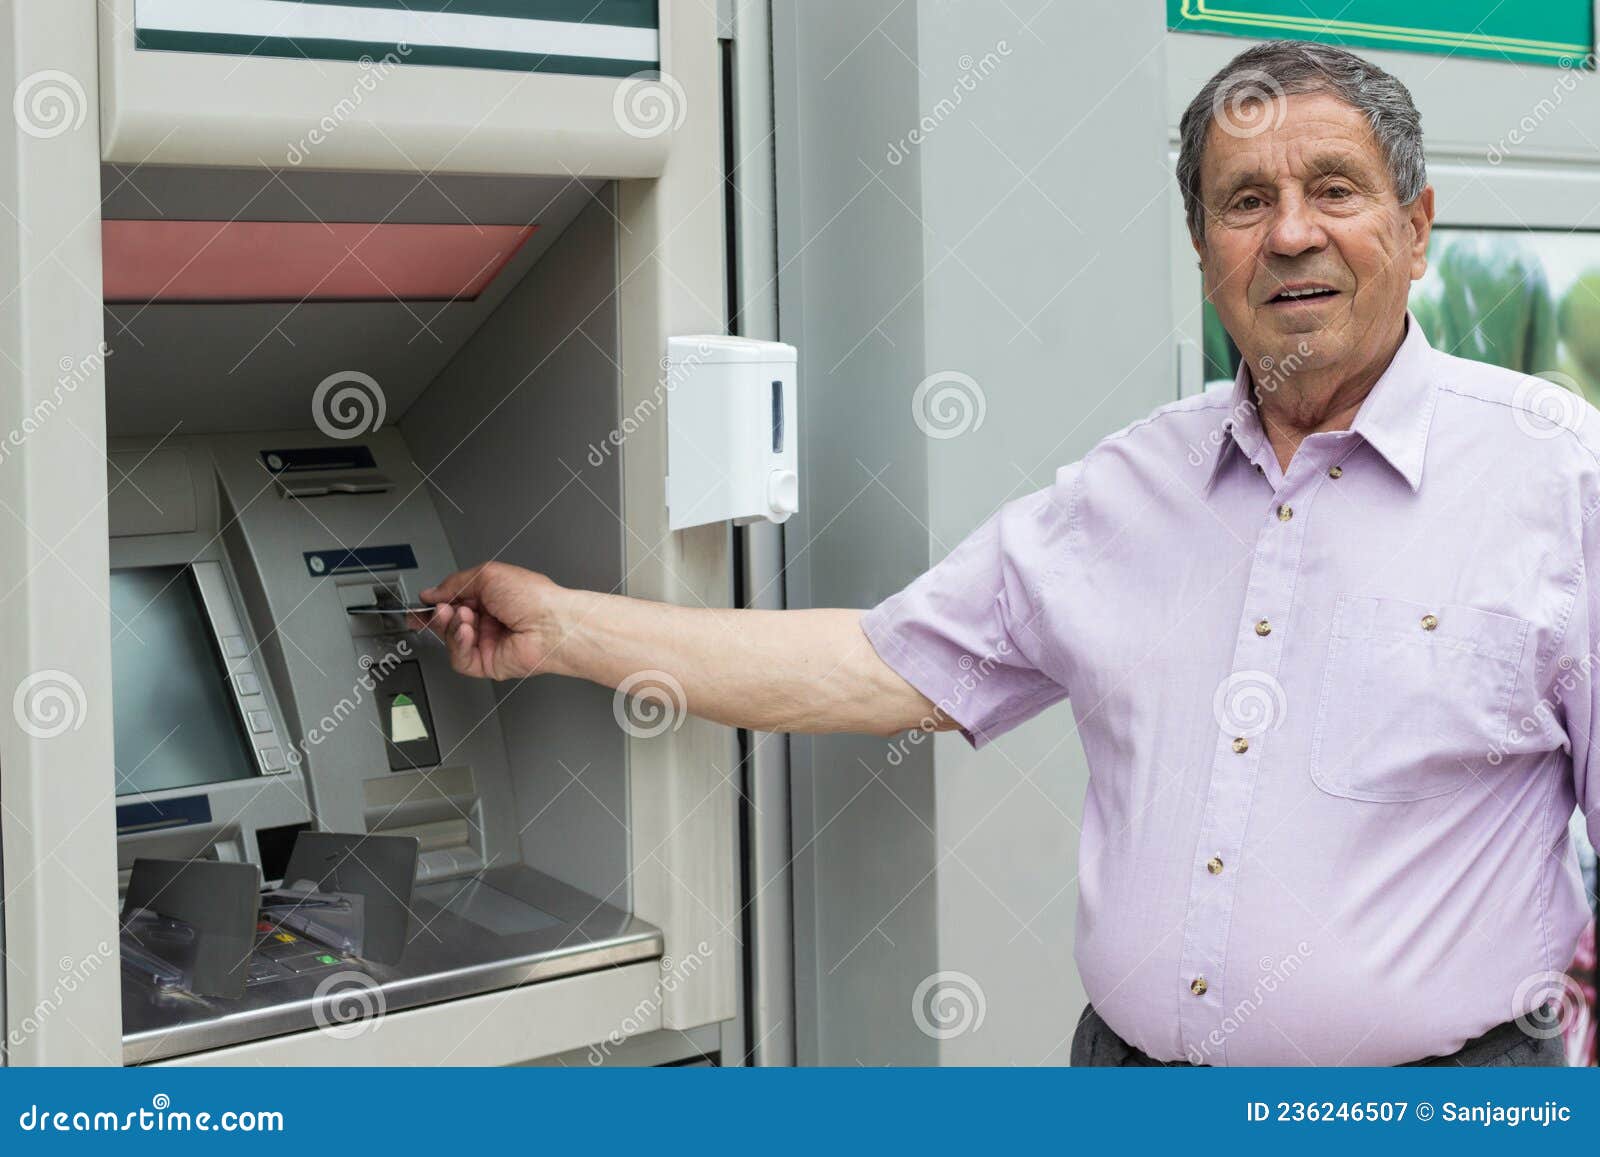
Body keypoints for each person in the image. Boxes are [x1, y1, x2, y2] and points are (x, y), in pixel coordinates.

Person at [417, 39, 1598, 1066]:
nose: (1291, 231)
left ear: (1416, 226)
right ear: (1203, 250)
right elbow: (878, 665)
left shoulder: (1557, 478)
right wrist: (565, 626)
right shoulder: (1133, 486)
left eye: (1333, 189)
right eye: (1244, 201)